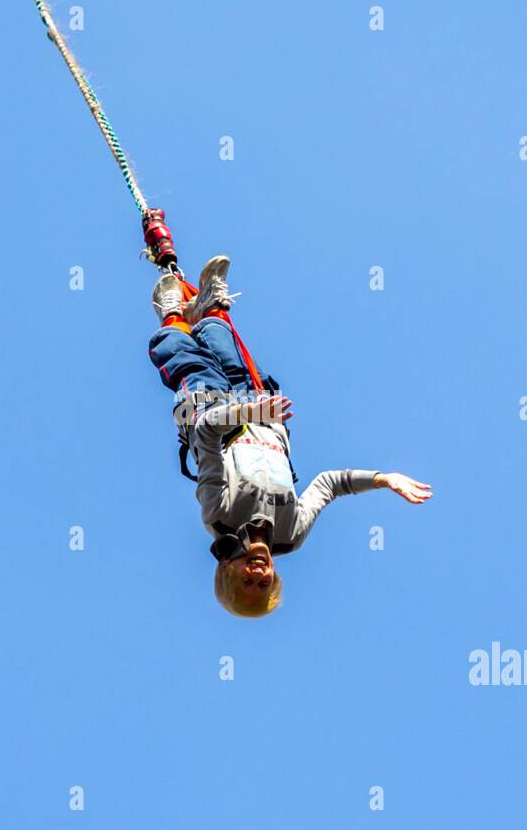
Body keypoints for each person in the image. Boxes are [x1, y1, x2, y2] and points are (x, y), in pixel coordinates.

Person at [147, 255, 432, 617]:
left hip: (209, 409)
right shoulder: (290, 533)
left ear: (225, 568)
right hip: (264, 415)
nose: (257, 573)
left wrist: (248, 413)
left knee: (187, 360)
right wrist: (383, 479)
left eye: (246, 580)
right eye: (264, 582)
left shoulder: (219, 516)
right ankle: (209, 307)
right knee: (229, 352)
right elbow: (329, 485)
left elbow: (206, 433)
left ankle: (172, 314)